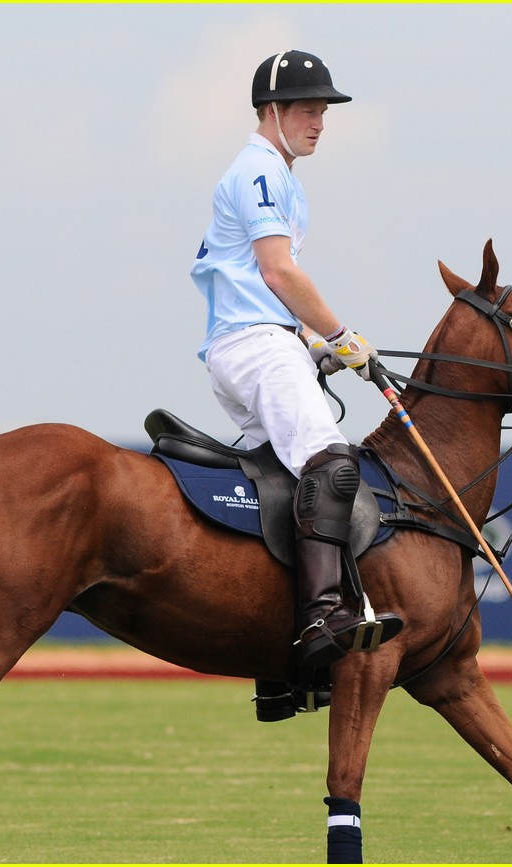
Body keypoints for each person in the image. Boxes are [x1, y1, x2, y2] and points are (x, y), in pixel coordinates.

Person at [191, 50, 402, 670]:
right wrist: (340, 334)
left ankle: (276, 652)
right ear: (273, 110)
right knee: (333, 468)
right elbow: (278, 270)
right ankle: (320, 619)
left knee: (292, 488)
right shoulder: (260, 172)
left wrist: (309, 343)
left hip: (252, 341)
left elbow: (241, 279)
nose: (319, 121)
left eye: (323, 110)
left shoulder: (275, 173)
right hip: (254, 346)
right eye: (308, 108)